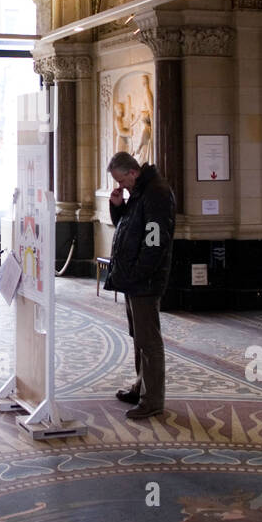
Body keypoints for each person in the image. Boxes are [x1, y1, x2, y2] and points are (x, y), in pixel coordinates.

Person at [103, 151, 176, 420]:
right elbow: (129, 228)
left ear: (133, 172)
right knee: (139, 336)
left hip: (144, 280)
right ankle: (140, 386)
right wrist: (117, 206)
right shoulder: (139, 191)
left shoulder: (155, 192)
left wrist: (137, 273)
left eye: (121, 181)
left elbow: (155, 242)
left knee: (149, 341)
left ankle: (152, 399)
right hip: (134, 279)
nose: (120, 186)